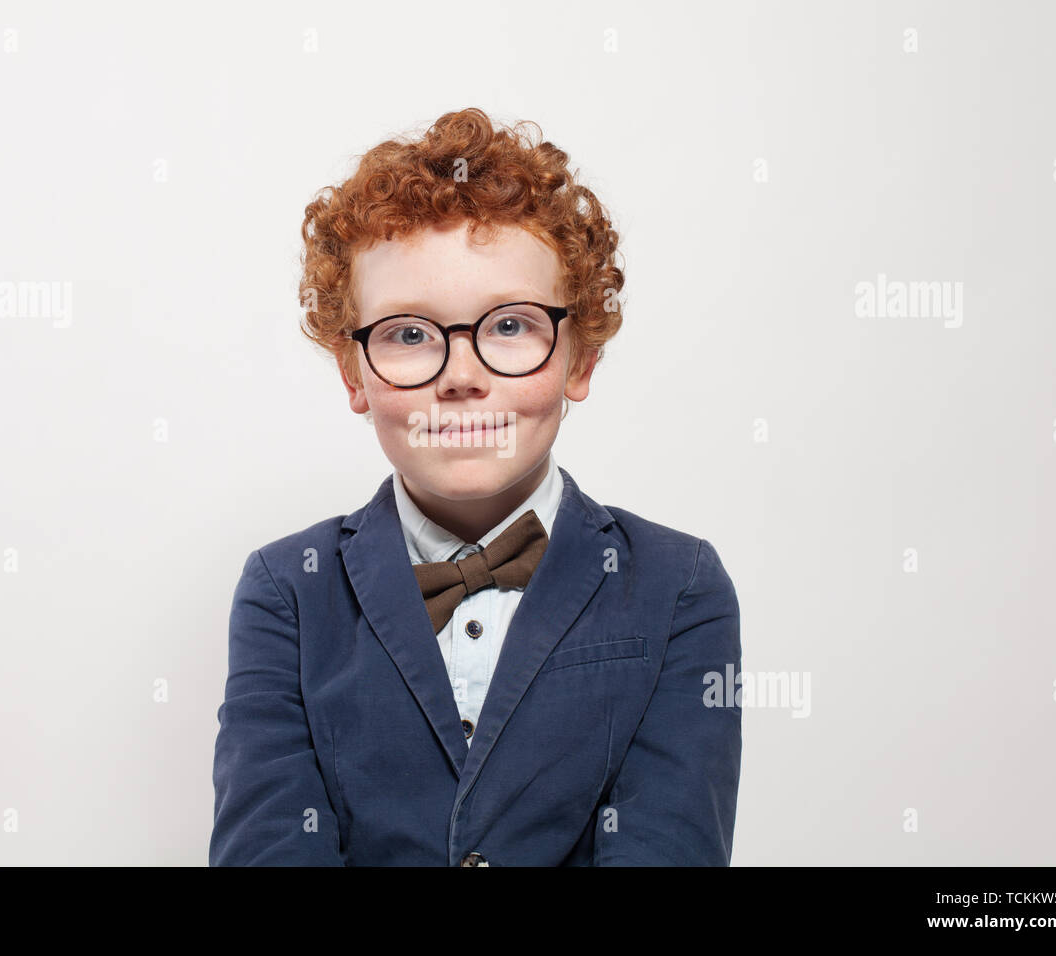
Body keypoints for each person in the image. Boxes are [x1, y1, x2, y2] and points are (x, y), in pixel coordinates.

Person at [210, 107, 742, 866]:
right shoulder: (286, 591)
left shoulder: (679, 585)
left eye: (510, 327)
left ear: (580, 360)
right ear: (353, 372)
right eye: (408, 334)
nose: (461, 377)